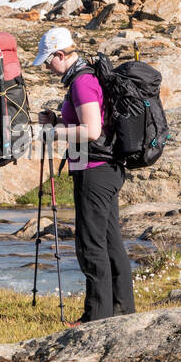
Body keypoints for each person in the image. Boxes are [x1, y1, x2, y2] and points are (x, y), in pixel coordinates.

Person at [32, 26, 135, 324]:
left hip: (94, 171)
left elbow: (92, 131)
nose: (48, 68)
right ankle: (122, 311)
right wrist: (60, 118)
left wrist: (54, 130)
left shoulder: (81, 82)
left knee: (90, 245)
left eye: (49, 60)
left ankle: (96, 318)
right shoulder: (87, 76)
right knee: (110, 240)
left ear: (61, 55)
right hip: (106, 169)